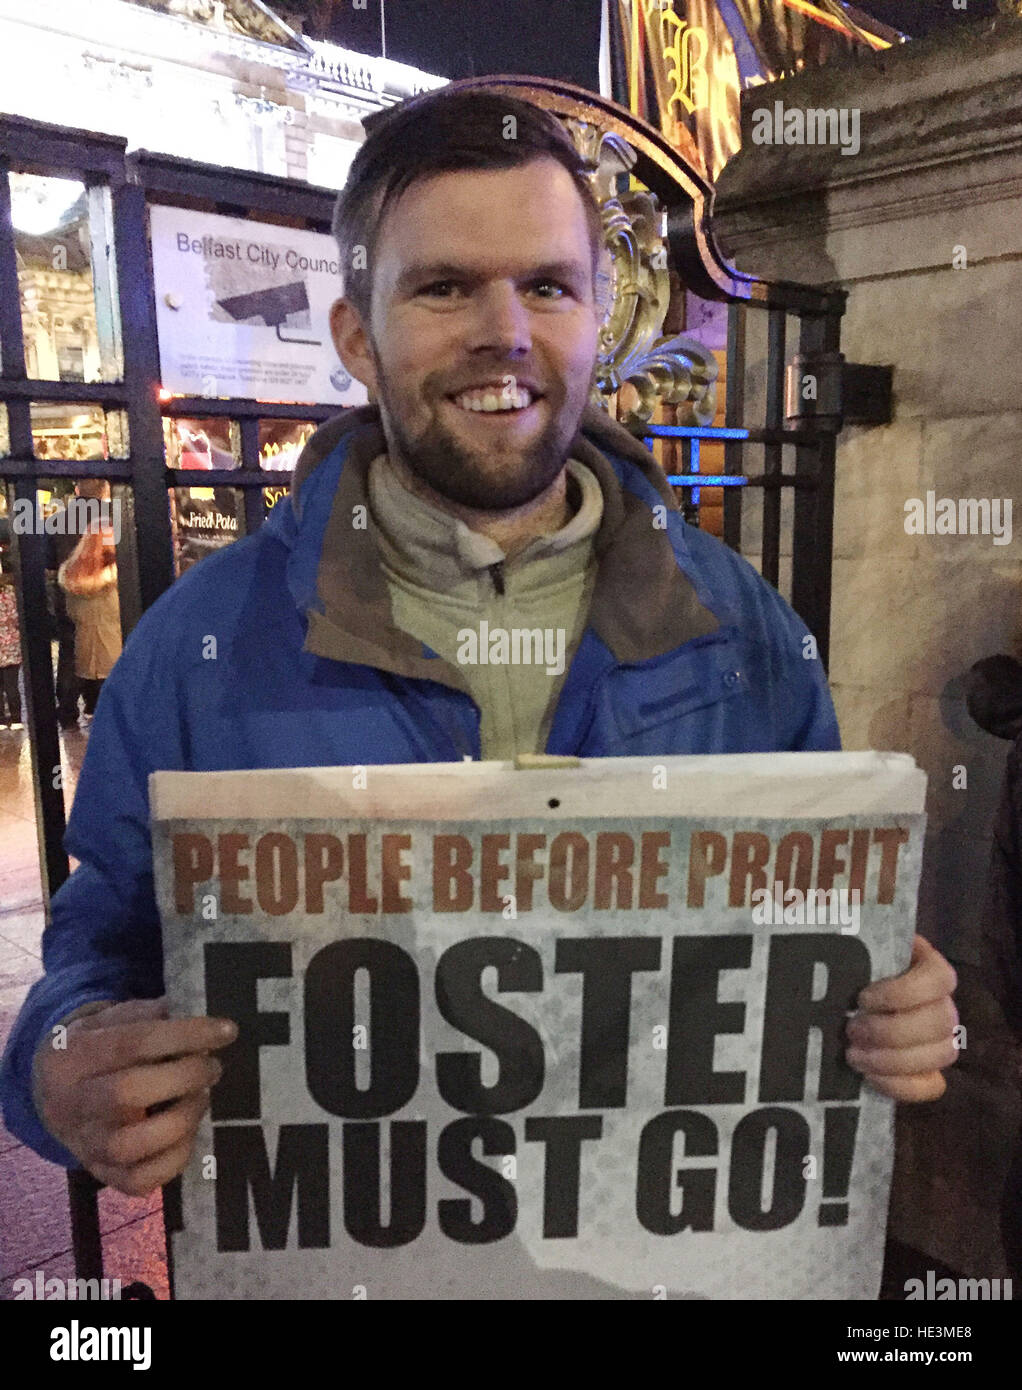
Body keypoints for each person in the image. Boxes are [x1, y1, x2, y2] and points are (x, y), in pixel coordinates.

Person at [0, 89, 959, 1203]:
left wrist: (894, 1008)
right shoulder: (196, 644)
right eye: (444, 285)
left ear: (595, 322)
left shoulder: (743, 633)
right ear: (357, 335)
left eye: (545, 286)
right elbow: (96, 957)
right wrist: (59, 1066)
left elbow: (824, 940)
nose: (503, 331)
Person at [56, 479, 122, 721]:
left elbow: (47, 559)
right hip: (110, 601)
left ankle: (67, 708)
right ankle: (100, 707)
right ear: (104, 489)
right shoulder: (115, 516)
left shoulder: (59, 519)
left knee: (70, 651)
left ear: (77, 490)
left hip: (72, 599)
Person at [0, 558, 24, 730]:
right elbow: (18, 618)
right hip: (11, 645)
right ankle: (16, 719)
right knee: (12, 685)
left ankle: (0, 720)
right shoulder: (10, 593)